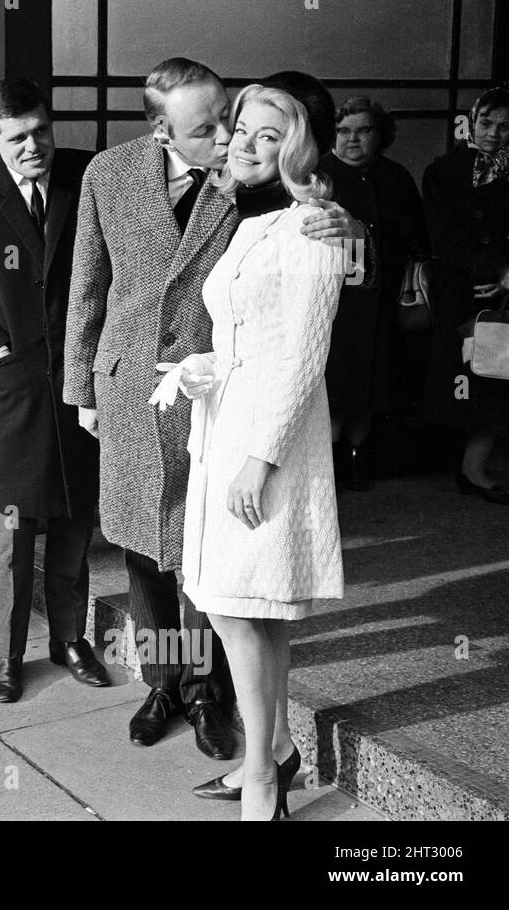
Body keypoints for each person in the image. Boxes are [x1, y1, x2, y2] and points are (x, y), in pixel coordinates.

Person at [65, 58, 361, 759]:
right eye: (208, 127)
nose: (227, 134)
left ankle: (207, 695)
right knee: (144, 548)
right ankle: (162, 682)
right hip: (135, 385)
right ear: (163, 129)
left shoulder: (249, 178)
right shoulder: (107, 174)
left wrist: (349, 233)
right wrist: (80, 388)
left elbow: (317, 233)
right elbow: (87, 284)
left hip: (216, 394)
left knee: (204, 560)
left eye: (229, 115)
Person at [158, 84, 345, 820]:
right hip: (225, 425)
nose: (245, 142)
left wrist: (261, 457)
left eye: (269, 135)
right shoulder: (250, 222)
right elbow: (244, 331)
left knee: (236, 610)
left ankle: (264, 777)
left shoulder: (314, 228)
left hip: (268, 439)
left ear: (297, 148)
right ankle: (278, 749)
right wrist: (201, 370)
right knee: (251, 608)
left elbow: (304, 355)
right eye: (242, 128)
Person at [0, 78, 108, 703]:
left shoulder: (86, 175)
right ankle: (9, 656)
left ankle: (69, 640)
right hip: (11, 385)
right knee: (12, 524)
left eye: (41, 130)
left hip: (80, 380)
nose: (34, 146)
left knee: (72, 517)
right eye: (17, 138)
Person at [321, 97, 430, 489]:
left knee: (374, 386)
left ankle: (356, 458)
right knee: (337, 387)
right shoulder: (319, 177)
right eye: (344, 130)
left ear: (379, 135)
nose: (352, 139)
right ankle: (330, 465)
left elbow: (418, 235)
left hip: (384, 305)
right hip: (334, 307)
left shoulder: (396, 177)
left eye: (363, 130)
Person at [421, 86, 509, 504]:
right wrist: (493, 267)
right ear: (472, 122)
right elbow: (443, 238)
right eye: (487, 122)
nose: (494, 133)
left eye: (505, 125)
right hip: (462, 289)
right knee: (464, 378)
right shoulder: (444, 170)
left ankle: (474, 468)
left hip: (506, 294)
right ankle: (462, 466)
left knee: (499, 377)